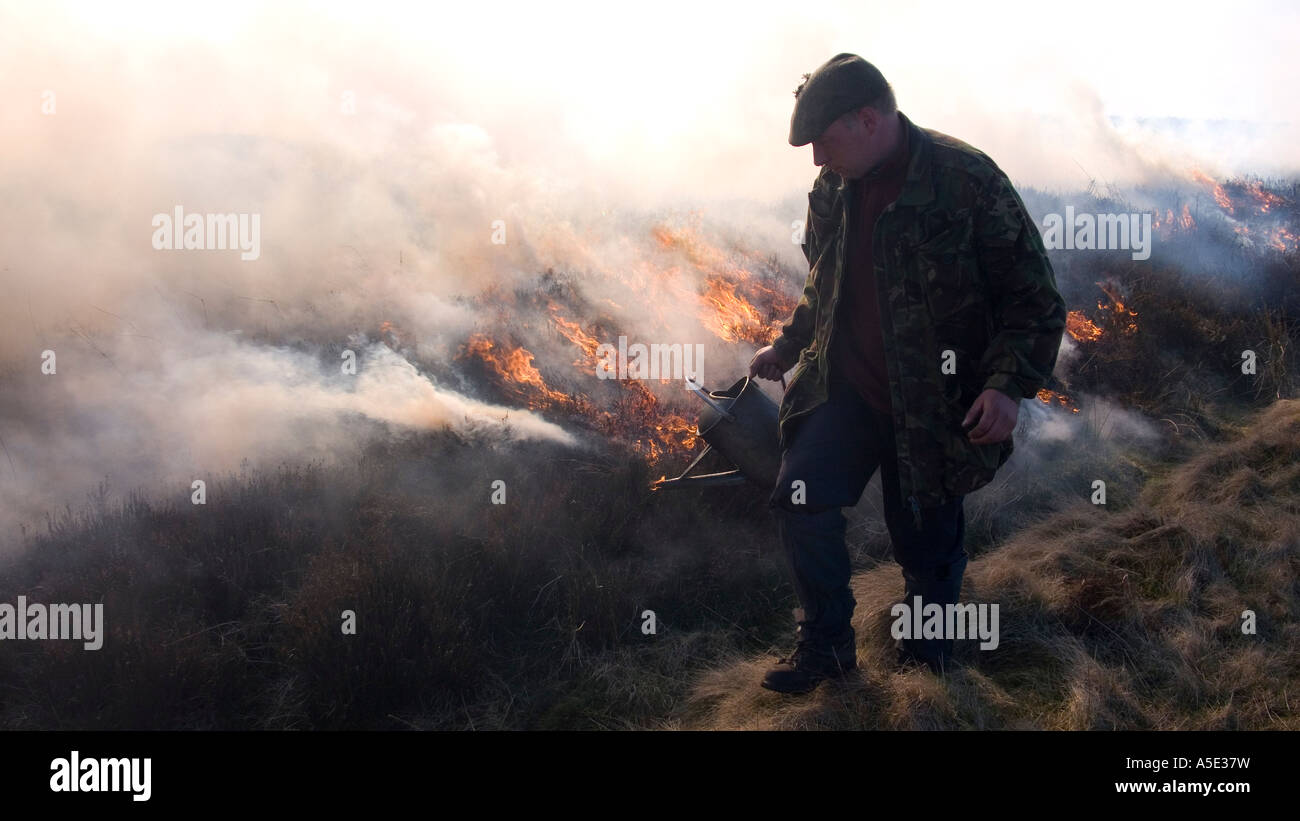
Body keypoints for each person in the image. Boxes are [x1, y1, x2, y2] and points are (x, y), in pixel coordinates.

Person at [749, 53, 1066, 694]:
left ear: (868, 119)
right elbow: (825, 280)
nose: (815, 160)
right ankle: (829, 650)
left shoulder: (967, 181)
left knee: (924, 542)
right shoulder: (836, 185)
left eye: (823, 142)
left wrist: (1006, 386)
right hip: (846, 389)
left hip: (936, 403)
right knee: (799, 498)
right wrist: (789, 345)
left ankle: (929, 666)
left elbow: (1034, 300)